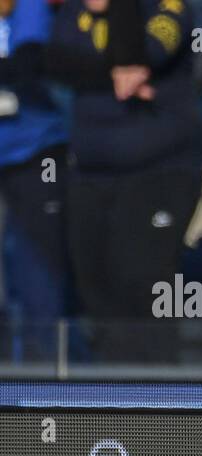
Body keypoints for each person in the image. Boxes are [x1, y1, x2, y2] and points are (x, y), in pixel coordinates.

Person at [46, 0, 202, 365]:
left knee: (141, 280)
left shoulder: (168, 7)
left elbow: (146, 52)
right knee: (94, 285)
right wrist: (113, 72)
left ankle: (158, 403)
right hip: (90, 173)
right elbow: (54, 62)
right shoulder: (75, 10)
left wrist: (119, 11)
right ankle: (115, 401)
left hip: (161, 173)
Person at [0, 0, 74, 362]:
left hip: (34, 150)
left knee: (37, 268)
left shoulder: (30, 9)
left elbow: (28, 62)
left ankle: (42, 375)